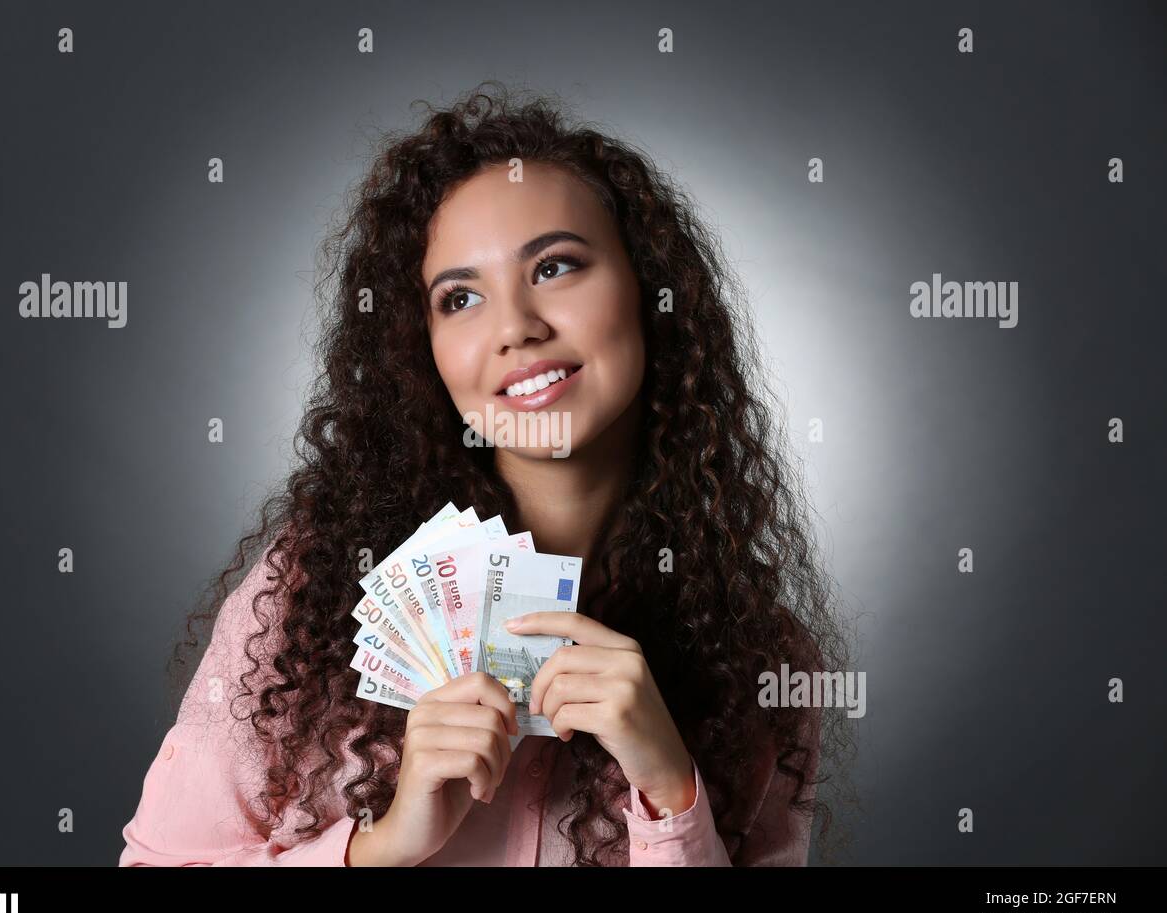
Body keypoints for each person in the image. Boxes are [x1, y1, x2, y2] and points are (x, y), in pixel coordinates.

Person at [119, 82, 848, 867]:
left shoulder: (759, 657)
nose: (516, 328)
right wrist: (382, 846)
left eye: (557, 266)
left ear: (649, 293)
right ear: (421, 349)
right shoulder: (314, 587)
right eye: (460, 297)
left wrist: (672, 795)